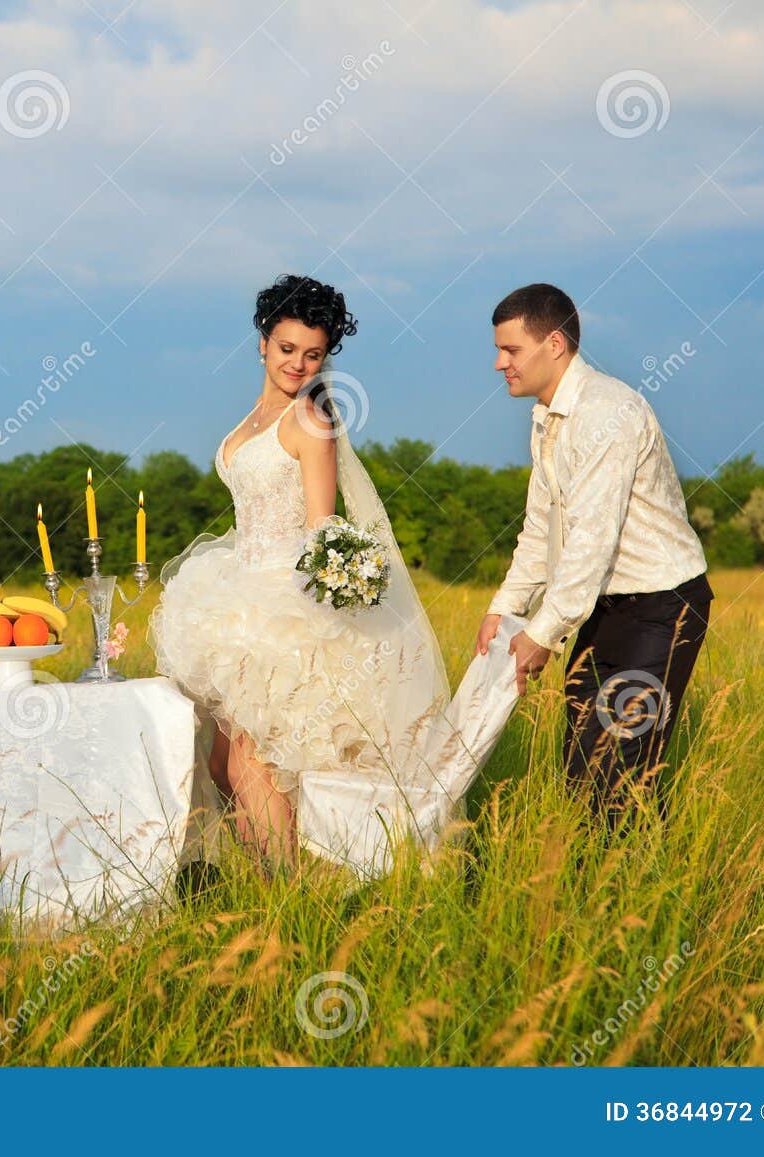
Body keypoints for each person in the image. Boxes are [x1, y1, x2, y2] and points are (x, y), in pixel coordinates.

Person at [149, 274, 482, 871]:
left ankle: (287, 897)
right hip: (235, 594)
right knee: (224, 765)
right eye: (286, 349)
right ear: (262, 343)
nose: (298, 364)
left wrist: (323, 592)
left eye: (313, 354)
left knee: (252, 765)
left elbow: (320, 529)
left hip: (281, 611)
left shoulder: (311, 422)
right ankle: (276, 886)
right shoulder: (254, 414)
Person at [477, 283, 713, 826]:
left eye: (510, 350)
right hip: (605, 608)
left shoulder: (609, 412)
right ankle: (592, 894)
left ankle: (630, 898)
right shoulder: (547, 419)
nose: (498, 364)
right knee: (581, 764)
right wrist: (504, 604)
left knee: (618, 770)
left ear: (554, 344)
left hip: (661, 607)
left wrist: (542, 631)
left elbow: (592, 537)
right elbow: (543, 527)